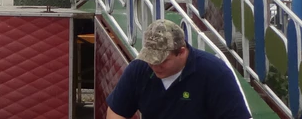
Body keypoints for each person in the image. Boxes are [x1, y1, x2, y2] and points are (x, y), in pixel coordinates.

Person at [106, 18, 250, 119]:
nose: (154, 66)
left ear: (181, 52)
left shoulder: (214, 73)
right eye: (150, 60)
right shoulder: (139, 69)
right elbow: (116, 112)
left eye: (162, 61)